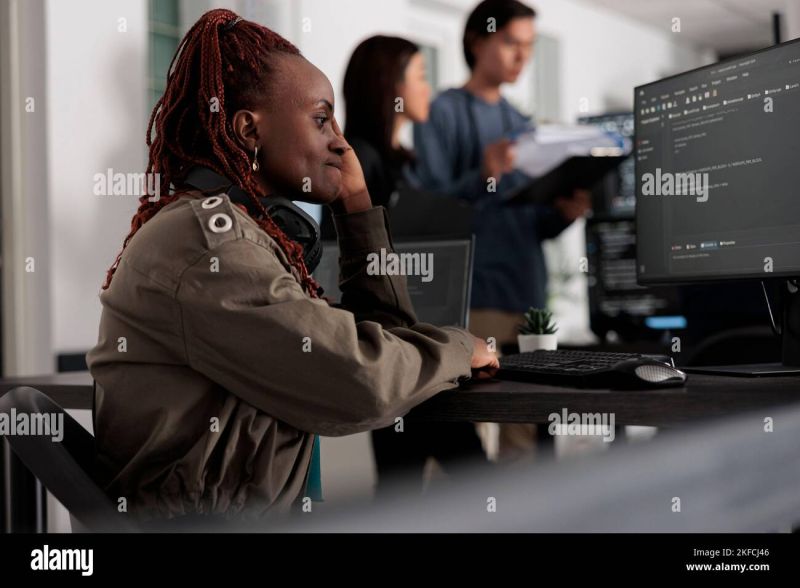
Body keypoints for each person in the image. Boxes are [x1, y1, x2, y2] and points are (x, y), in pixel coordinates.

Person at [85, 9, 498, 525]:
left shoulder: (242, 235)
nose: (341, 142)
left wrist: (357, 208)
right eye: (322, 120)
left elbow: (388, 339)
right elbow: (365, 381)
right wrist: (460, 347)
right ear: (248, 130)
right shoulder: (211, 249)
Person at [412, 0, 590, 460]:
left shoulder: (524, 125)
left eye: (529, 46)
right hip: (473, 299)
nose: (522, 56)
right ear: (477, 41)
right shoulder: (442, 112)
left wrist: (564, 213)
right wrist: (483, 175)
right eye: (511, 42)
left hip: (527, 296)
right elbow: (428, 212)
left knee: (525, 437)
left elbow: (532, 223)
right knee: (461, 440)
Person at [320, 36, 488, 496]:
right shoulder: (359, 161)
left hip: (417, 338)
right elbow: (344, 251)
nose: (428, 88)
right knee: (457, 477)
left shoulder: (402, 163)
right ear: (390, 85)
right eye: (421, 76)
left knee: (405, 484)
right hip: (397, 345)